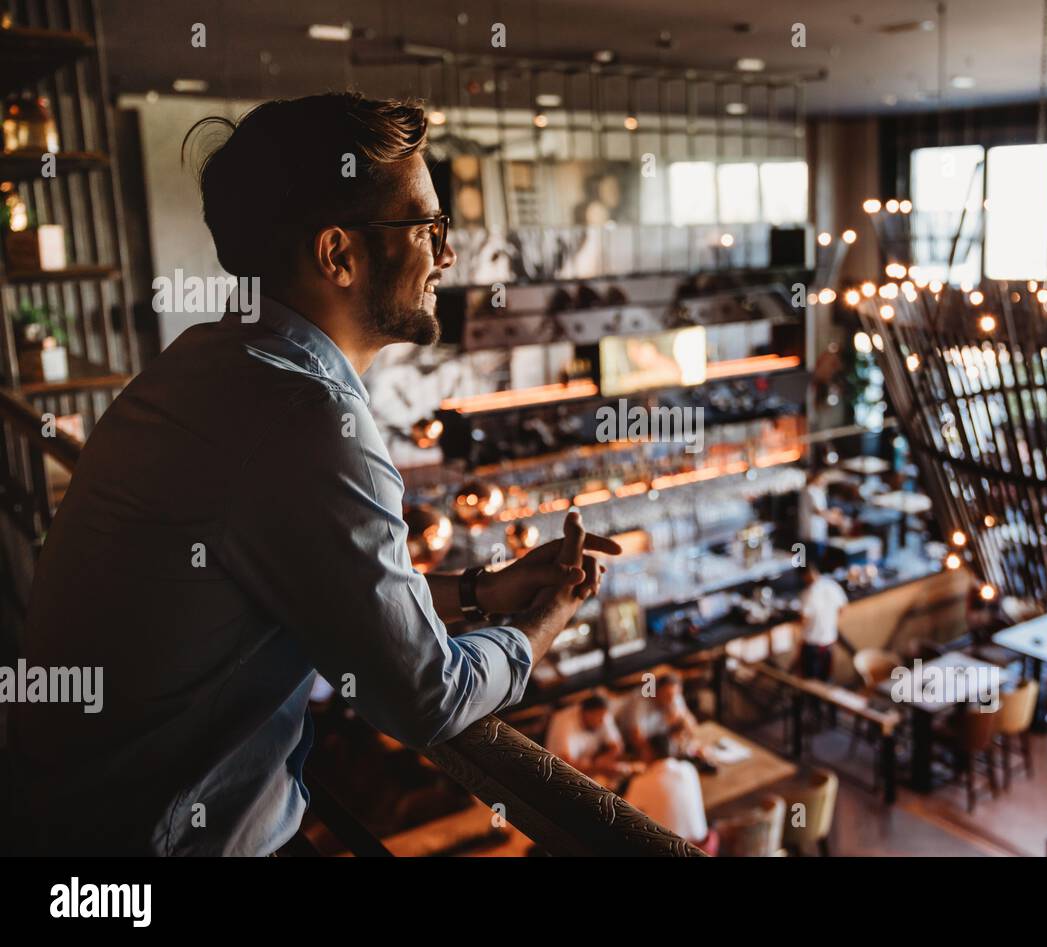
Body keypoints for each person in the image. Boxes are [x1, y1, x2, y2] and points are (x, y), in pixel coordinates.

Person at [6, 93, 621, 856]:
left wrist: (478, 592)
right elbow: (426, 698)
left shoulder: (208, 363)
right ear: (339, 254)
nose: (447, 253)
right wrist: (544, 618)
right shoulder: (305, 416)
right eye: (427, 226)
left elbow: (315, 586)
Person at [622, 734, 714, 852]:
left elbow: (624, 815)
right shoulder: (689, 769)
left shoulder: (641, 782)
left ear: (649, 752)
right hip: (703, 849)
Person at [544, 695, 635, 782]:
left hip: (588, 768)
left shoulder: (602, 714)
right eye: (599, 718)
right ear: (586, 714)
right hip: (557, 774)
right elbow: (567, 767)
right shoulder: (564, 723)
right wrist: (599, 768)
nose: (602, 722)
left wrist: (601, 761)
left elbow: (618, 746)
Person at [616, 672, 697, 762]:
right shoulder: (640, 702)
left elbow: (691, 725)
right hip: (636, 746)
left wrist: (682, 718)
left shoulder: (673, 696)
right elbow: (636, 738)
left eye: (675, 694)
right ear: (657, 691)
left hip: (661, 742)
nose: (672, 699)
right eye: (667, 695)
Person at [798, 564, 848, 682]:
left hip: (812, 645)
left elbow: (803, 620)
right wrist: (829, 622)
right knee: (826, 679)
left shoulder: (808, 594)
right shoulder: (832, 586)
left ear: (804, 576)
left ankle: (813, 700)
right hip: (829, 641)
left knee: (810, 681)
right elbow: (843, 609)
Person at [798, 465, 848, 565]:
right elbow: (819, 511)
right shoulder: (810, 490)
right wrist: (836, 519)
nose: (825, 481)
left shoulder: (818, 491)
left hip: (818, 534)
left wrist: (833, 514)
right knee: (811, 562)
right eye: (823, 478)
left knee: (816, 560)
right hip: (812, 535)